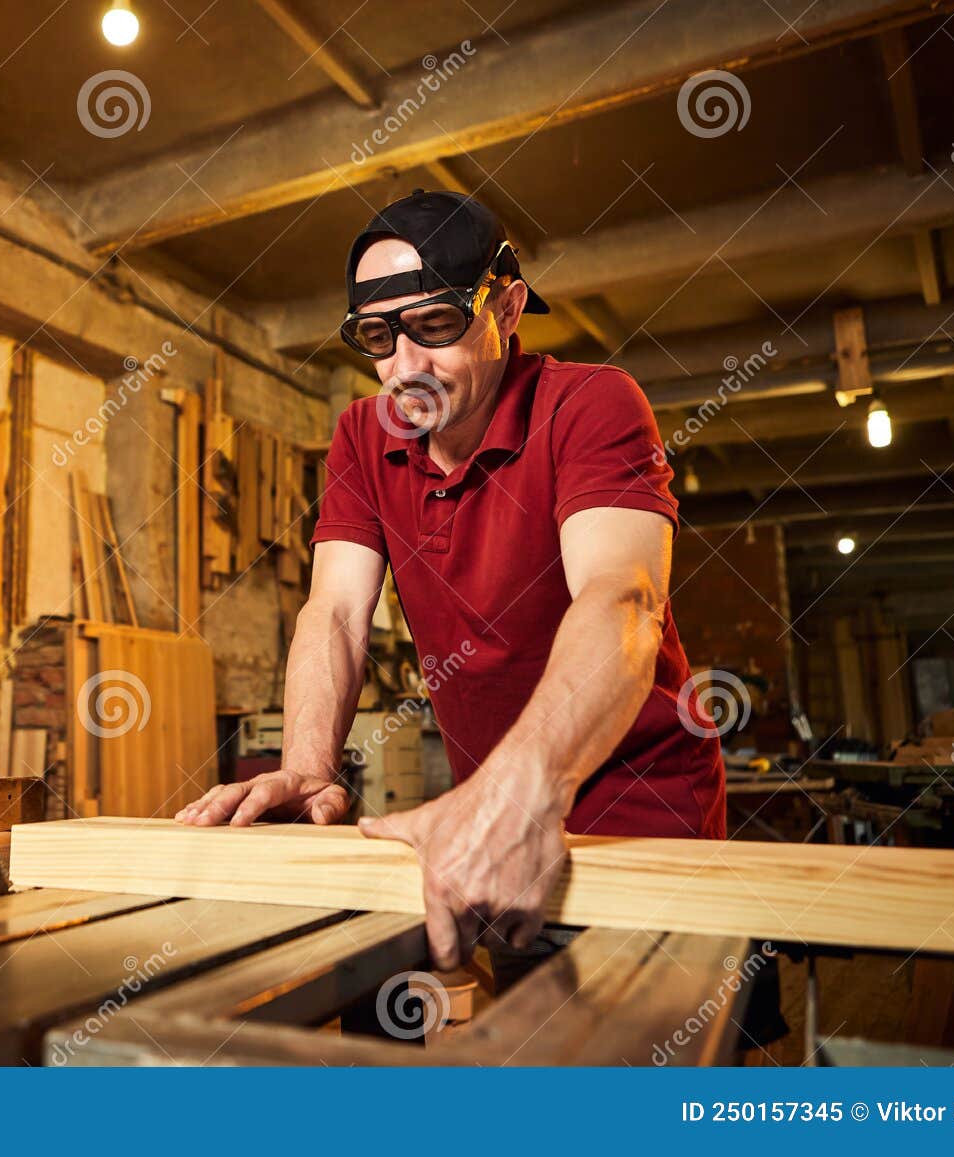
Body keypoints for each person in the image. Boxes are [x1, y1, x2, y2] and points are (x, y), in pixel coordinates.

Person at [176, 190, 726, 974]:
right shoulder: (363, 438)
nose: (405, 367)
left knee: (659, 1059)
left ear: (505, 306)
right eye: (376, 337)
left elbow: (622, 596)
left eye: (434, 325)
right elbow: (333, 610)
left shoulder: (590, 404)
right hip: (494, 814)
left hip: (636, 818)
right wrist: (305, 765)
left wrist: (524, 788)